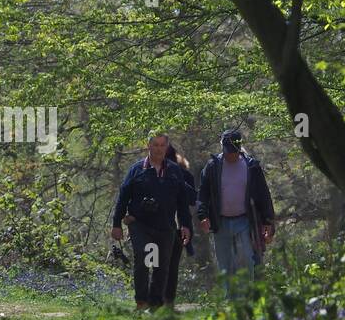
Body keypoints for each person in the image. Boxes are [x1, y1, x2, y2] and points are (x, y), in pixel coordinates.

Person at [111, 132, 194, 309]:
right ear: (148, 146)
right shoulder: (137, 169)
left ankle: (155, 305)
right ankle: (141, 301)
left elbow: (182, 201)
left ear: (167, 147)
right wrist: (116, 224)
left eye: (162, 145)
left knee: (161, 265)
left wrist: (185, 225)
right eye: (155, 145)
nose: (159, 149)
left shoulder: (173, 170)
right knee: (143, 259)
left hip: (165, 226)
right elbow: (123, 197)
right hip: (141, 225)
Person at [197, 128, 275, 293]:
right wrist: (203, 215)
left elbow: (263, 194)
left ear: (239, 148)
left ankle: (246, 297)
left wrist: (268, 221)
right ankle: (231, 300)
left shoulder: (251, 166)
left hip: (245, 220)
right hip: (221, 221)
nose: (230, 155)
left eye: (233, 151)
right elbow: (203, 193)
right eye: (227, 151)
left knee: (247, 257)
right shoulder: (212, 167)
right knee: (226, 264)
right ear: (222, 147)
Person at [163, 143, 196, 308]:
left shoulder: (183, 174)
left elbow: (192, 199)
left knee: (172, 264)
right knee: (155, 262)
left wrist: (179, 181)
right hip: (153, 226)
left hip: (176, 226)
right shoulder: (147, 171)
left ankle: (168, 301)